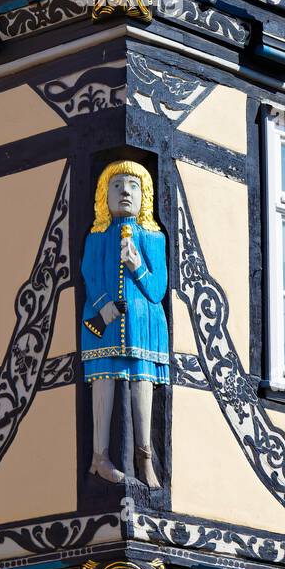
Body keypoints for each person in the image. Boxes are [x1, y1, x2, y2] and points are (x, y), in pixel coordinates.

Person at [80, 160, 168, 487]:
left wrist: (137, 265)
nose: (125, 192)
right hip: (104, 321)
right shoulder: (97, 237)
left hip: (144, 324)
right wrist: (104, 306)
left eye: (133, 185)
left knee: (141, 381)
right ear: (104, 195)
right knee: (103, 377)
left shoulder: (153, 238)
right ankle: (99, 457)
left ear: (145, 194)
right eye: (116, 185)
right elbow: (90, 273)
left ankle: (144, 456)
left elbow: (157, 289)